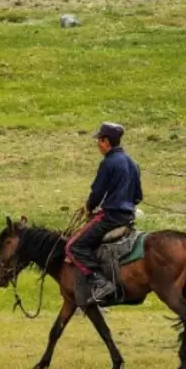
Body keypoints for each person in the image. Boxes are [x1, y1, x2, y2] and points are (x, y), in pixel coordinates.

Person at [66, 122, 143, 304]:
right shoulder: (133, 163)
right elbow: (138, 196)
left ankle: (101, 282)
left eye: (99, 140)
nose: (97, 145)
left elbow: (97, 193)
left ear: (106, 141)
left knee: (73, 246)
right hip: (127, 216)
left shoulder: (108, 163)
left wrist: (89, 208)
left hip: (111, 217)